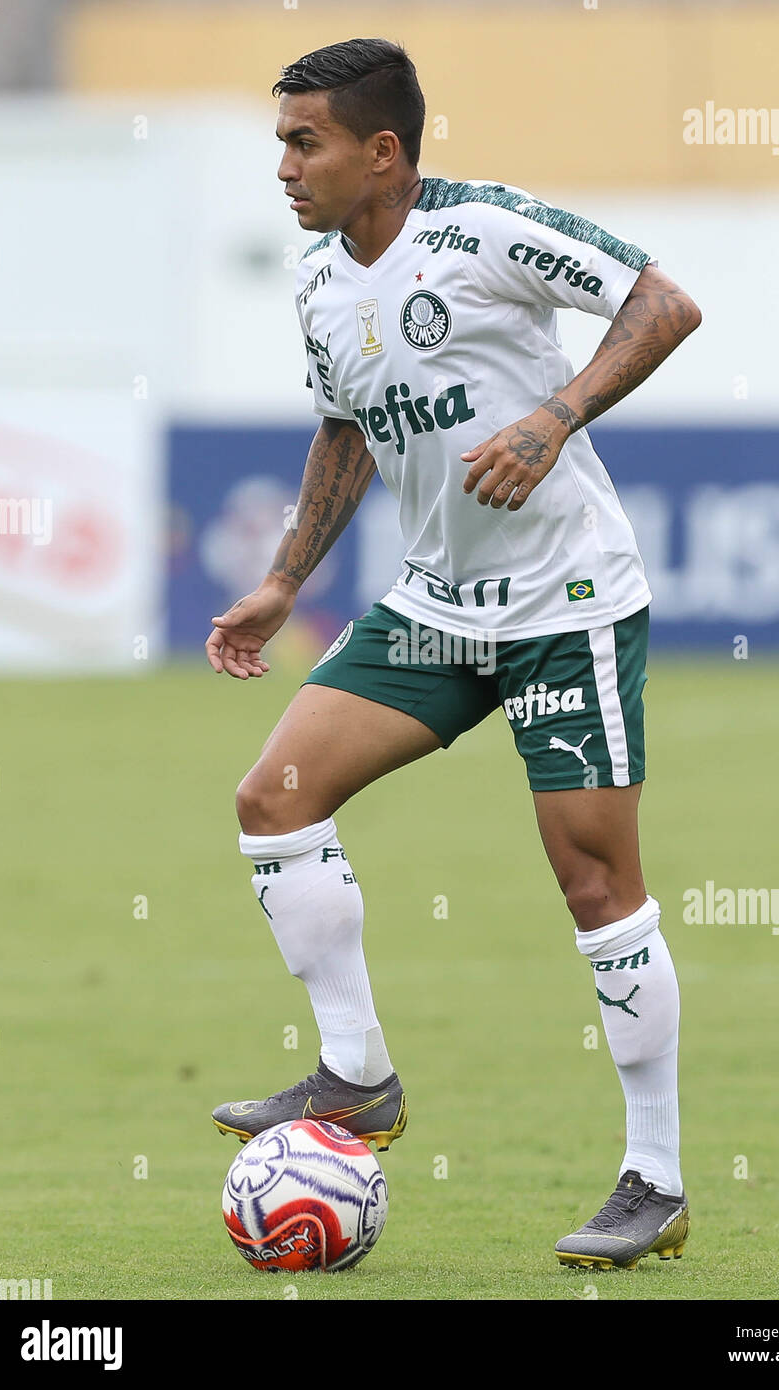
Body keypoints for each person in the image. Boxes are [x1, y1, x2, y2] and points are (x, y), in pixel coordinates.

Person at [206, 37, 701, 1271]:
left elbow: (664, 302)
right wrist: (283, 581)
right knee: (274, 798)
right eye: (280, 140)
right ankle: (358, 1076)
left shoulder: (487, 230)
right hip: (434, 605)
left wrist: (552, 417)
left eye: (303, 140)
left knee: (595, 885)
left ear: (383, 150)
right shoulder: (321, 280)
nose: (283, 164)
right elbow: (347, 426)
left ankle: (657, 1176)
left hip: (563, 598)